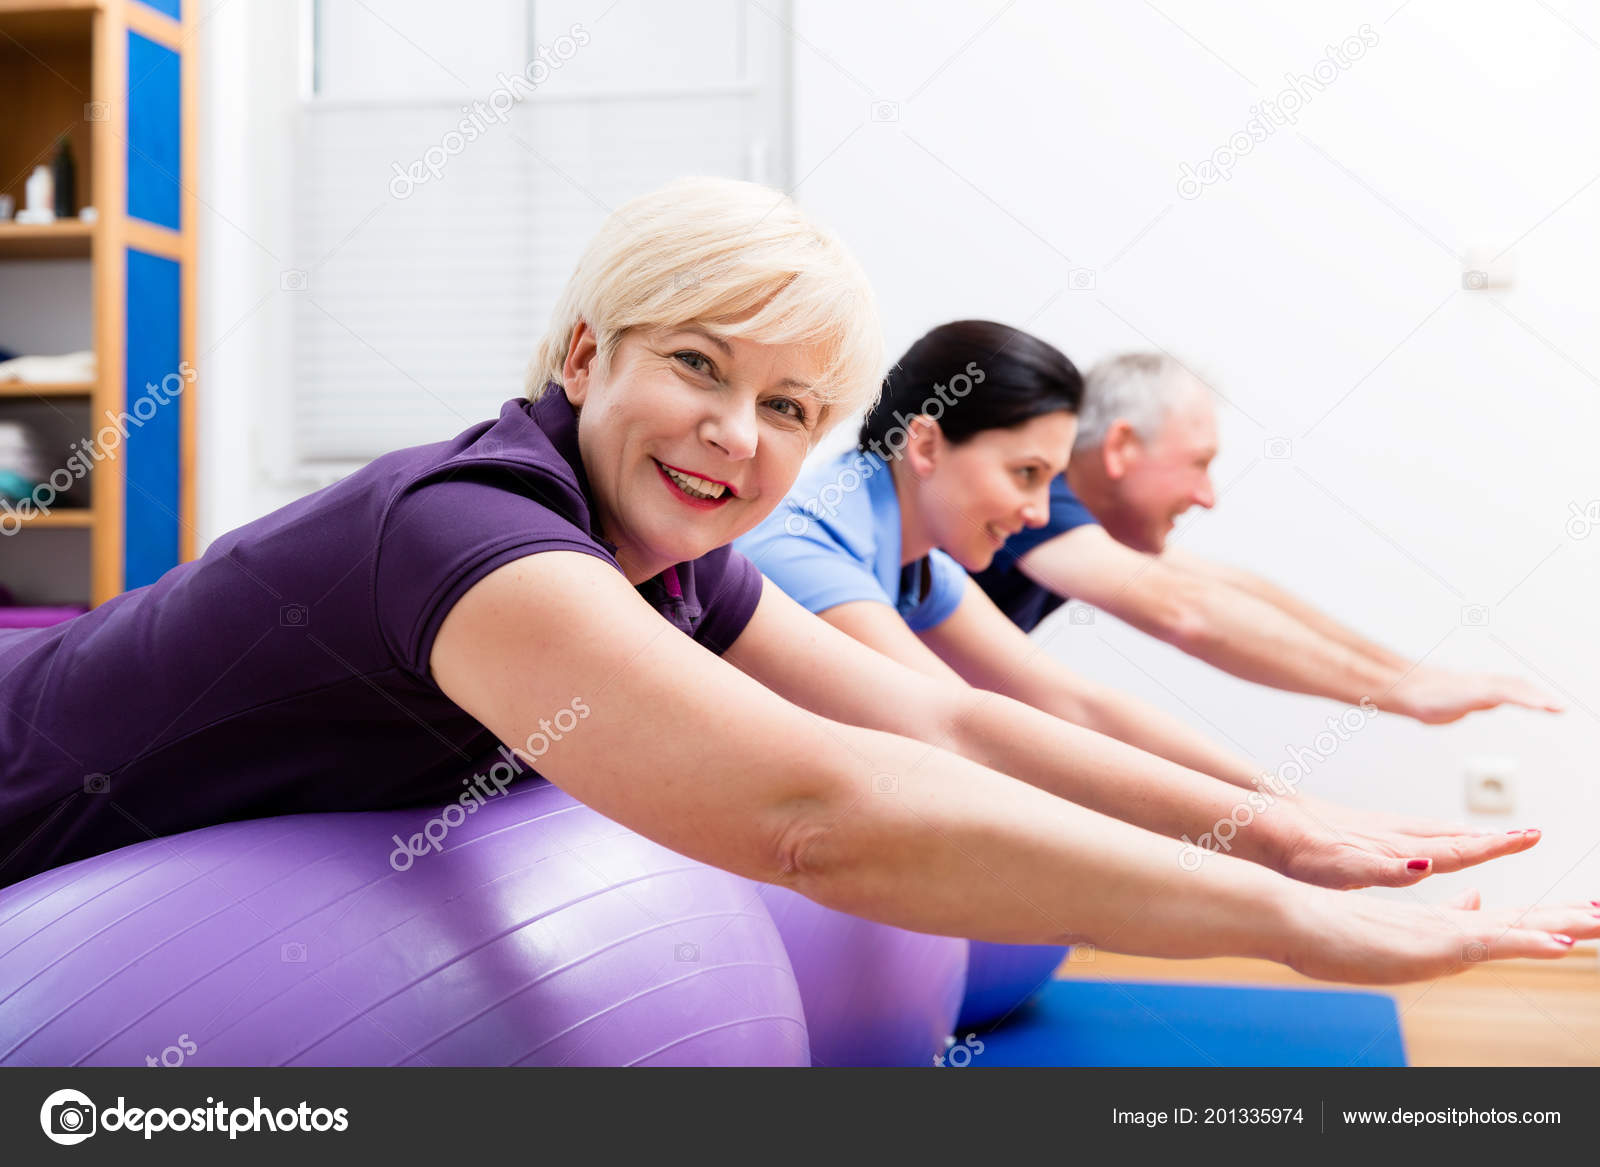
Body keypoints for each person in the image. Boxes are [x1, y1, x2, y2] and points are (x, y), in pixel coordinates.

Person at [1, 182, 1589, 987]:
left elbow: (943, 730)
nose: (731, 435)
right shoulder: (481, 536)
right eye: (697, 364)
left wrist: (1287, 826)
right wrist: (1285, 922)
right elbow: (813, 814)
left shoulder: (676, 567)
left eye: (786, 409)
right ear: (581, 356)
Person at [972, 352, 1562, 725]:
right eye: (1198, 463)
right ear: (1122, 447)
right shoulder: (1041, 498)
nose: (1208, 496)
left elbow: (1225, 587)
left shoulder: (1083, 520)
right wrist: (1397, 694)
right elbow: (1186, 611)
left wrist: (1413, 676)